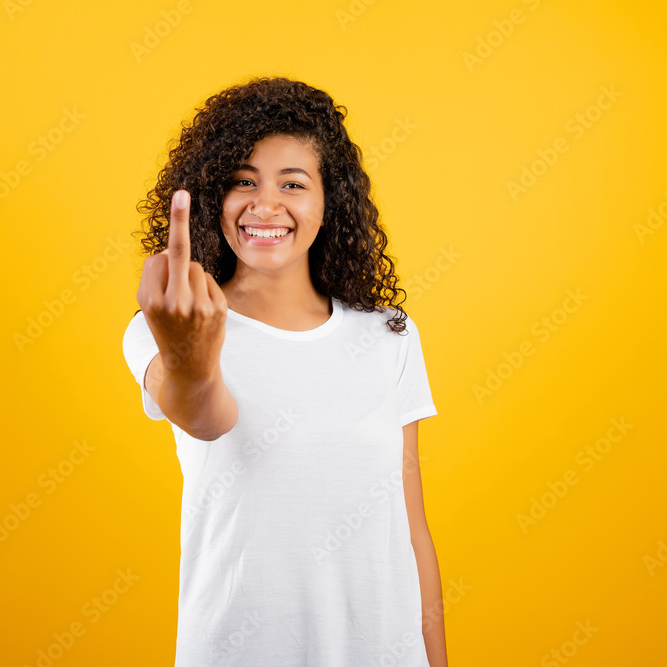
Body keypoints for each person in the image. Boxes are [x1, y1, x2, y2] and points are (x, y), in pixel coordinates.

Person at [122, 76, 447, 666]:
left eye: (292, 184)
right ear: (209, 196)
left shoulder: (388, 334)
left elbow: (412, 529)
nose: (264, 205)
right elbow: (205, 415)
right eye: (243, 182)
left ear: (329, 204)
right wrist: (189, 355)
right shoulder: (168, 327)